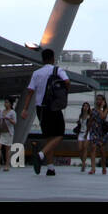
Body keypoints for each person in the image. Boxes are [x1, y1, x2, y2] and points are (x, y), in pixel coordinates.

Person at [21, 48, 69, 176]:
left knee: (49, 137)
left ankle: (50, 168)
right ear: (53, 58)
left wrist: (25, 109)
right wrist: (62, 94)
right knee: (59, 134)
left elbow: (30, 91)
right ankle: (41, 155)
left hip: (40, 109)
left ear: (42, 59)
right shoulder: (57, 70)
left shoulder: (36, 73)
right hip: (53, 107)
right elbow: (67, 81)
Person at [87, 94, 108, 174]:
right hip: (93, 130)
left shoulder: (105, 109)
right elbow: (90, 120)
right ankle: (93, 168)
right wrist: (87, 130)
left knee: (102, 151)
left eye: (100, 99)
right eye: (97, 99)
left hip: (102, 131)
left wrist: (100, 108)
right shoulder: (93, 110)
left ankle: (104, 167)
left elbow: (103, 117)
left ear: (103, 101)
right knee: (93, 148)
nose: (98, 101)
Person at [0, 96, 16, 171]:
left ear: (10, 104)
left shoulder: (12, 112)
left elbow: (14, 122)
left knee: (7, 149)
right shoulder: (1, 111)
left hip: (9, 133)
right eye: (5, 102)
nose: (5, 103)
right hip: (2, 132)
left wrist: (8, 118)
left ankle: (7, 165)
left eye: (7, 102)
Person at [76, 102, 93, 172]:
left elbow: (90, 125)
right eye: (84, 106)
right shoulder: (81, 115)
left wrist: (86, 133)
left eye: (87, 106)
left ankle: (83, 164)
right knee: (80, 149)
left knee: (85, 148)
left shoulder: (89, 116)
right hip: (81, 133)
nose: (85, 107)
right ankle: (83, 161)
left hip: (87, 132)